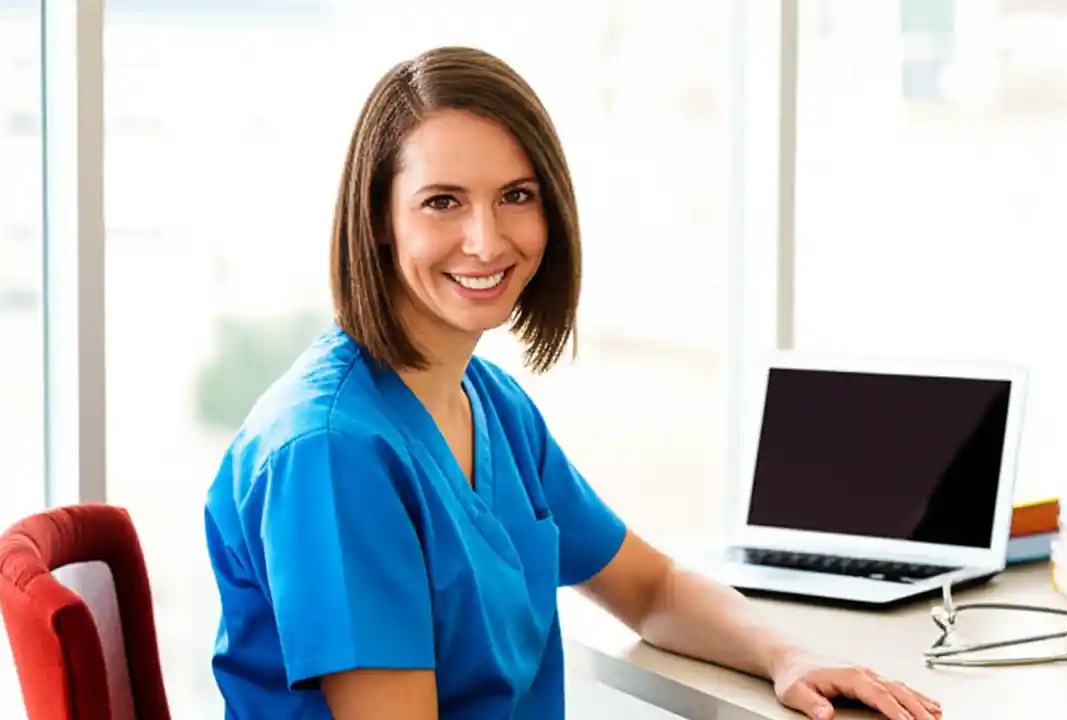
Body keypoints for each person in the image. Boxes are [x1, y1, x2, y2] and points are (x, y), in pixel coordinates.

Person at [203, 46, 943, 720]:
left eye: (516, 196)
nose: (487, 240)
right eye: (443, 201)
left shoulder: (488, 403)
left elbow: (650, 591)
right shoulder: (333, 451)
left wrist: (791, 657)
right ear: (379, 221)